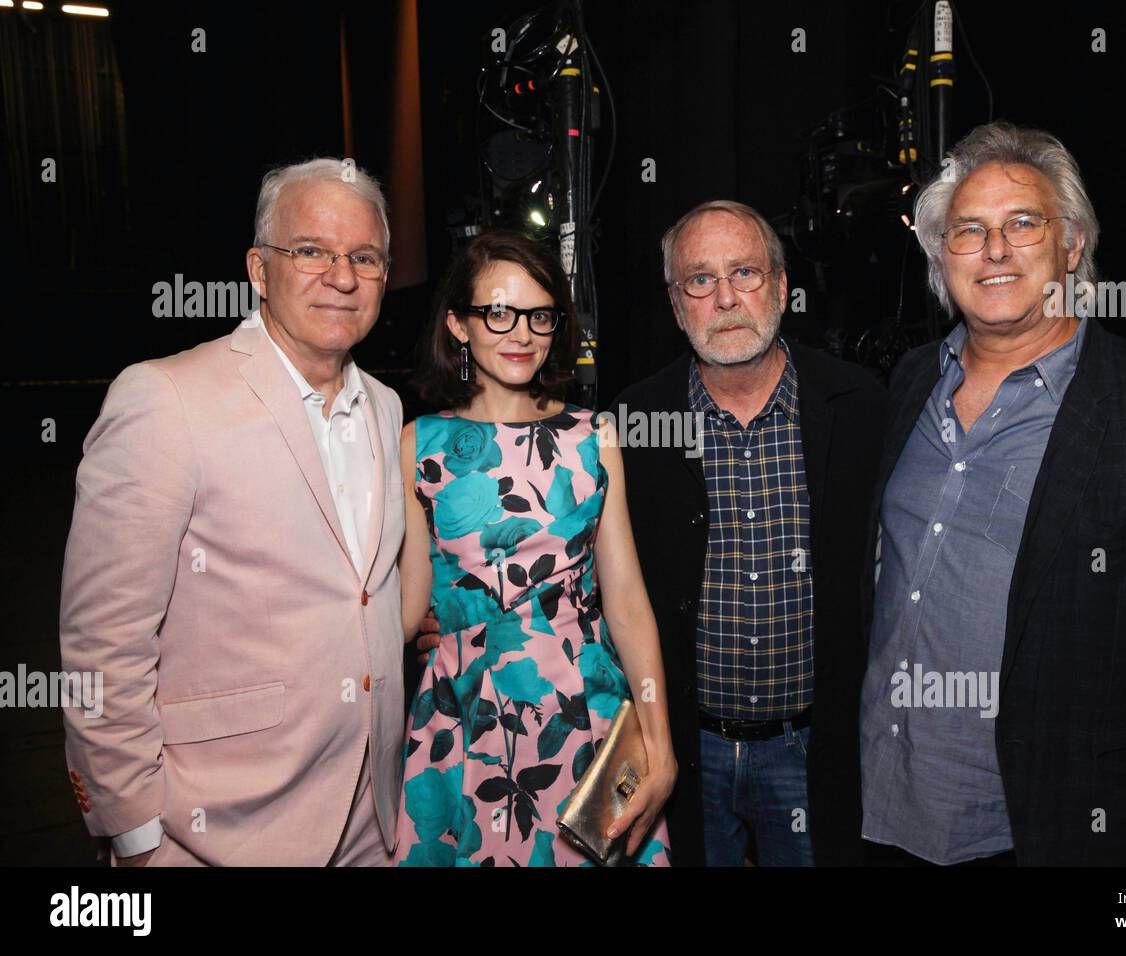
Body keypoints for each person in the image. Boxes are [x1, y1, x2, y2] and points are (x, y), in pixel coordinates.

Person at [859, 121, 1126, 866]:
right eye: (967, 231)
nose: (994, 250)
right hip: (886, 816)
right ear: (938, 257)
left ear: (1072, 246)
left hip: (1050, 833)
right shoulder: (910, 382)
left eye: (1022, 223)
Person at [59, 157, 407, 866]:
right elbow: (102, 645)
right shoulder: (166, 400)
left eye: (364, 257)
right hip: (215, 833)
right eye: (310, 250)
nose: (341, 277)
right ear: (258, 269)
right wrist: (135, 836)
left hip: (372, 823)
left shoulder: (386, 406)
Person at [608, 200, 886, 865]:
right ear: (677, 307)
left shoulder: (863, 407)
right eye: (700, 281)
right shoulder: (629, 423)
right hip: (684, 751)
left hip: (818, 750)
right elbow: (596, 579)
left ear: (784, 288)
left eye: (746, 273)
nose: (726, 298)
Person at [394, 230, 675, 866]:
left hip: (583, 710)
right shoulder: (419, 443)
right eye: (498, 312)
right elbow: (407, 608)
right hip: (460, 715)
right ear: (458, 326)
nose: (521, 333)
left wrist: (659, 741)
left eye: (539, 315)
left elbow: (627, 603)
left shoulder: (594, 437)